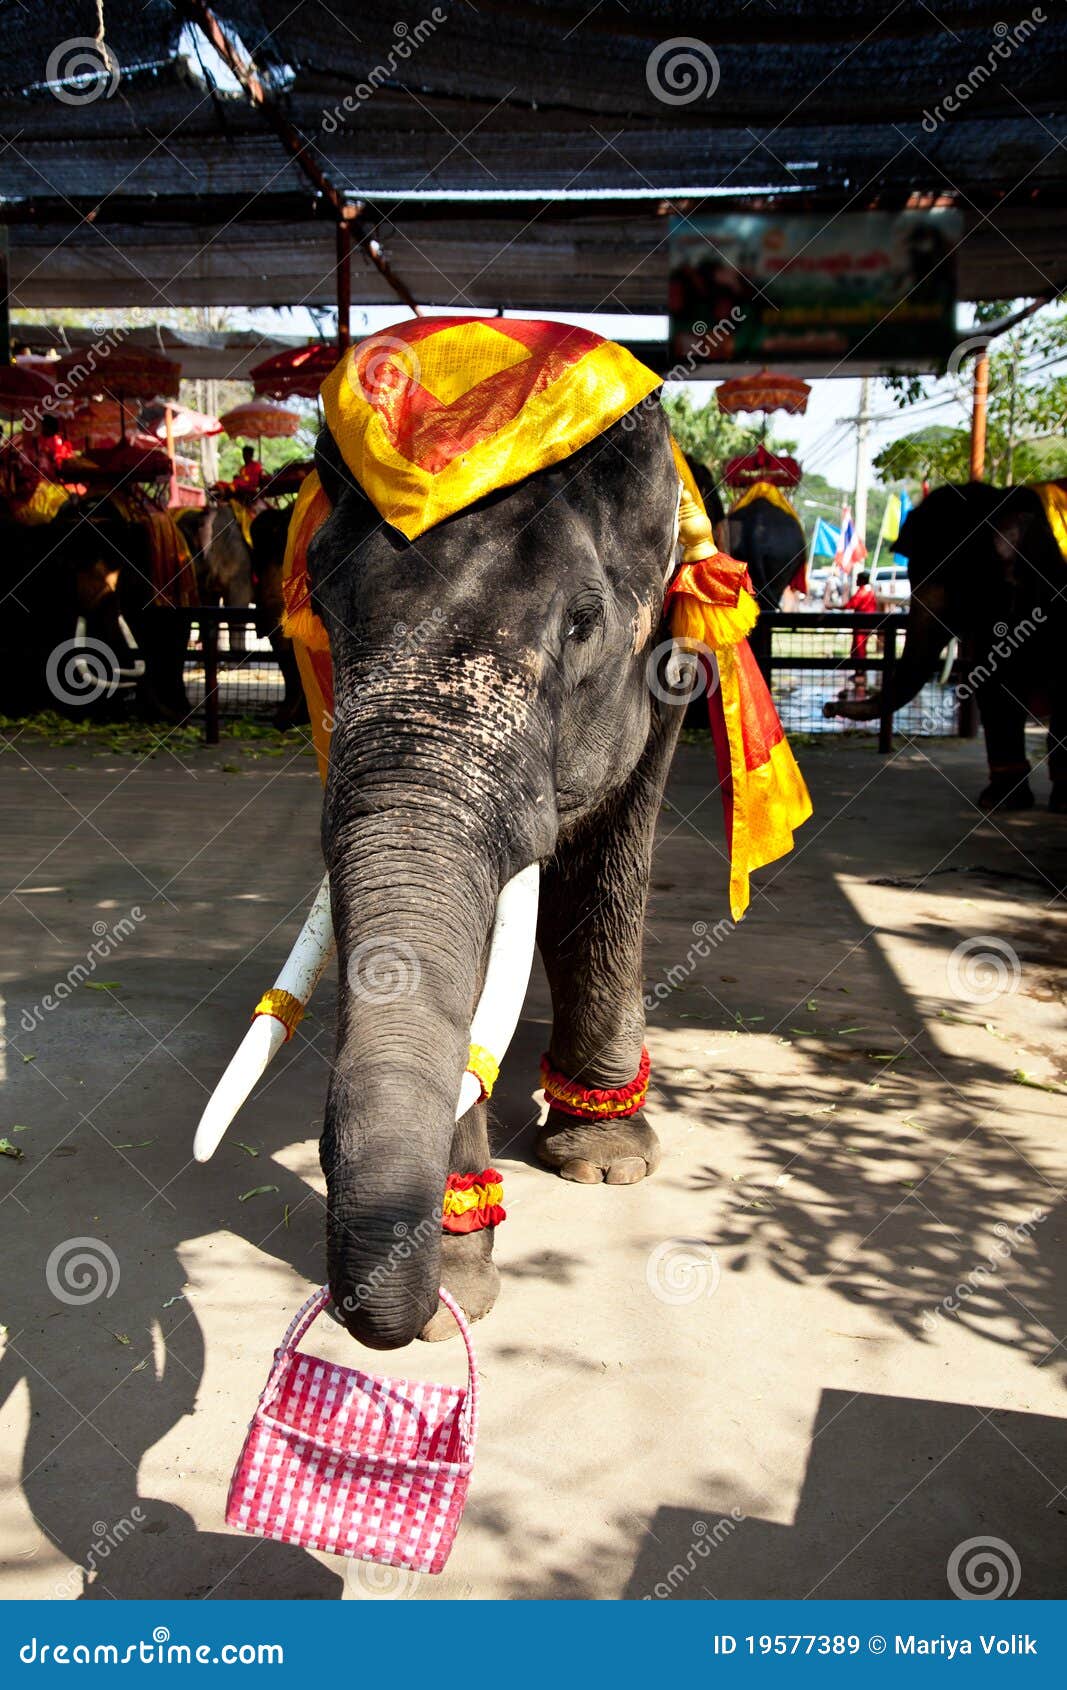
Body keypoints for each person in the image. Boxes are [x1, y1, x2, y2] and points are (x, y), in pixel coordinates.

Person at [842, 570, 879, 698]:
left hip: (861, 624)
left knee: (859, 648)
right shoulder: (870, 591)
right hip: (866, 623)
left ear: (862, 580)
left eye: (858, 579)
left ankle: (860, 672)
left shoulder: (863, 592)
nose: (856, 581)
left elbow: (851, 604)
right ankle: (860, 671)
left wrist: (843, 601)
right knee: (859, 647)